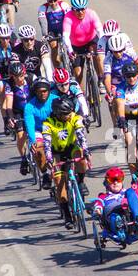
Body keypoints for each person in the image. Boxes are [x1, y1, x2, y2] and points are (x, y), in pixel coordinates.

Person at [40, 96, 91, 229]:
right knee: (60, 183)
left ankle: (80, 182)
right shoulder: (48, 123)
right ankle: (67, 215)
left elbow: (80, 134)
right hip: (56, 152)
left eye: (70, 112)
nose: (69, 115)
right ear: (58, 114)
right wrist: (49, 160)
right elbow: (46, 144)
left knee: (81, 155)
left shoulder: (74, 117)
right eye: (66, 114)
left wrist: (86, 150)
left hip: (71, 147)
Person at [90, 166, 138, 245]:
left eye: (118, 180)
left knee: (131, 191)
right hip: (112, 213)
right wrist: (98, 209)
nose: (115, 182)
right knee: (114, 217)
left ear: (122, 182)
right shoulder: (103, 196)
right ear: (107, 183)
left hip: (129, 211)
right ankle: (119, 230)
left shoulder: (128, 192)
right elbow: (98, 204)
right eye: (112, 180)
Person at [112, 62, 138, 174]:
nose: (131, 78)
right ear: (124, 77)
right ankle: (134, 175)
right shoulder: (121, 89)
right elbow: (120, 105)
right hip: (128, 117)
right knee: (130, 145)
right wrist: (122, 119)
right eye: (128, 76)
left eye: (133, 75)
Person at [63, 0, 103, 94]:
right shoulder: (68, 17)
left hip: (91, 41)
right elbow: (65, 36)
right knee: (78, 73)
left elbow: (100, 31)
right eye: (77, 10)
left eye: (82, 9)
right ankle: (82, 94)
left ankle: (100, 79)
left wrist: (103, 45)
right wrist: (70, 51)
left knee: (97, 55)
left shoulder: (91, 14)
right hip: (76, 46)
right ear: (73, 9)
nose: (80, 12)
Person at [23, 79, 56, 187]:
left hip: (54, 129)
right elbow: (30, 125)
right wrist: (33, 141)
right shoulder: (29, 106)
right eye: (39, 91)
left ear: (49, 91)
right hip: (39, 131)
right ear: (35, 92)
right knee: (37, 149)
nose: (42, 94)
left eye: (45, 91)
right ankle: (45, 174)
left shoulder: (56, 100)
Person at [3, 64, 35, 173]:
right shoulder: (9, 84)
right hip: (18, 112)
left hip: (32, 109)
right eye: (15, 77)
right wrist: (10, 118)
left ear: (24, 74)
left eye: (21, 76)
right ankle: (23, 159)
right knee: (21, 135)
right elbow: (9, 103)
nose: (18, 79)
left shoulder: (31, 78)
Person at [38, 0, 71, 69]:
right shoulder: (43, 8)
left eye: (55, 0)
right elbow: (43, 23)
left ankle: (71, 60)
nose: (53, 3)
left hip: (64, 28)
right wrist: (45, 34)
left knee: (68, 44)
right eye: (50, 1)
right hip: (51, 31)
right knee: (54, 46)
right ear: (47, 1)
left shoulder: (64, 5)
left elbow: (69, 20)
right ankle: (58, 68)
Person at [102, 31, 138, 100]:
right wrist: (109, 93)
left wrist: (137, 75)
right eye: (115, 52)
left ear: (124, 48)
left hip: (131, 78)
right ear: (111, 51)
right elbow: (107, 78)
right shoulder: (108, 59)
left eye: (120, 50)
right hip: (116, 83)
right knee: (113, 98)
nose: (118, 54)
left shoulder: (130, 52)